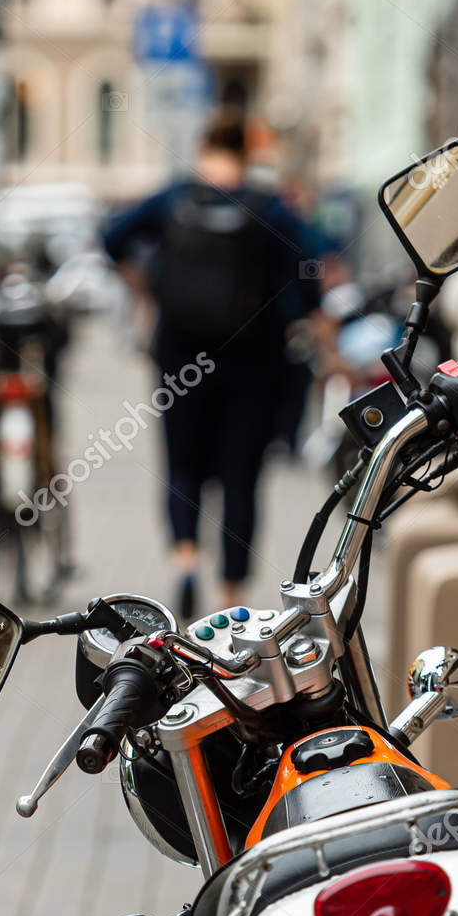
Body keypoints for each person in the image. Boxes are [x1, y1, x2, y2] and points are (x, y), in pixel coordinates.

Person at [104, 114, 322, 618]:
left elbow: (112, 237)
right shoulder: (268, 208)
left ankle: (184, 560)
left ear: (203, 147)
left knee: (182, 465)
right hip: (251, 362)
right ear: (246, 153)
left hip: (180, 357)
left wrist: (145, 289)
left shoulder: (174, 199)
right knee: (241, 476)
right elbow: (308, 270)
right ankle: (230, 597)